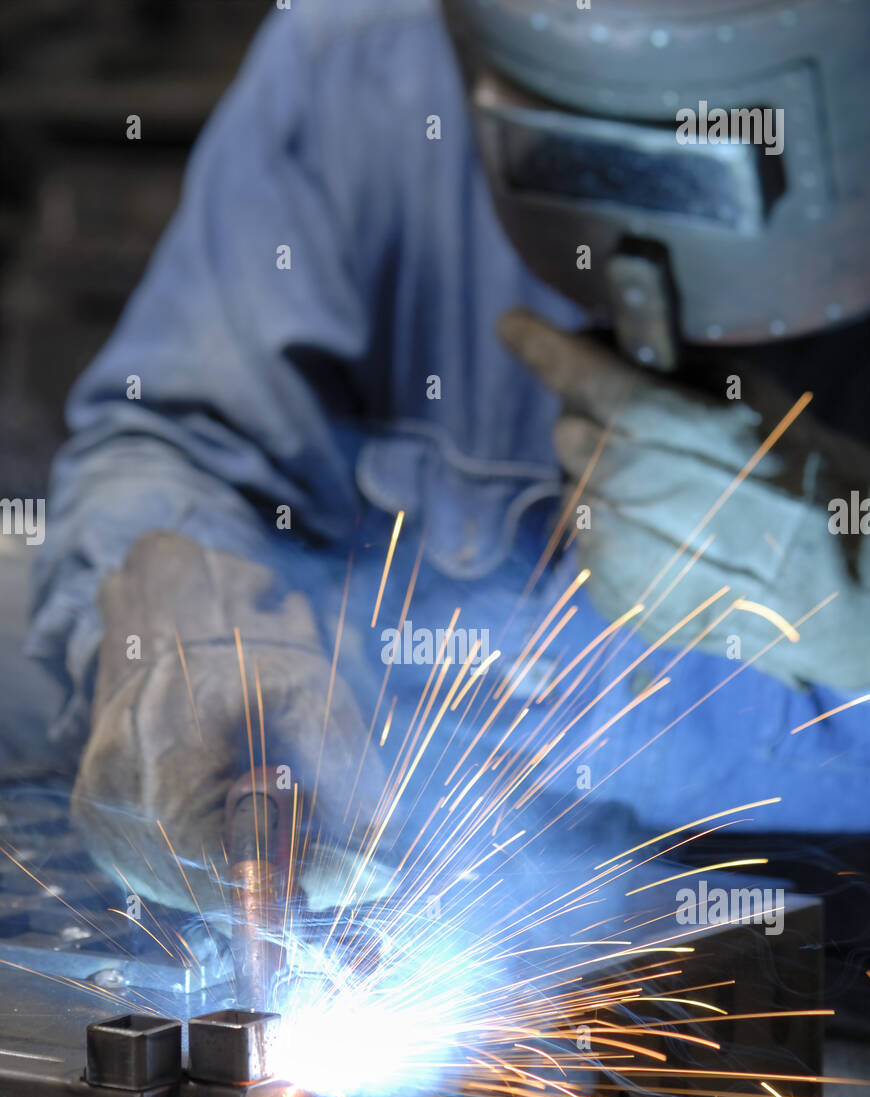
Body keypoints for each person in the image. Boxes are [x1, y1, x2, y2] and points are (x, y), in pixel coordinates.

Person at [28, 0, 870, 914]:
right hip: (412, 841)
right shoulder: (358, 63)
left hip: (815, 876)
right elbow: (178, 438)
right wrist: (189, 614)